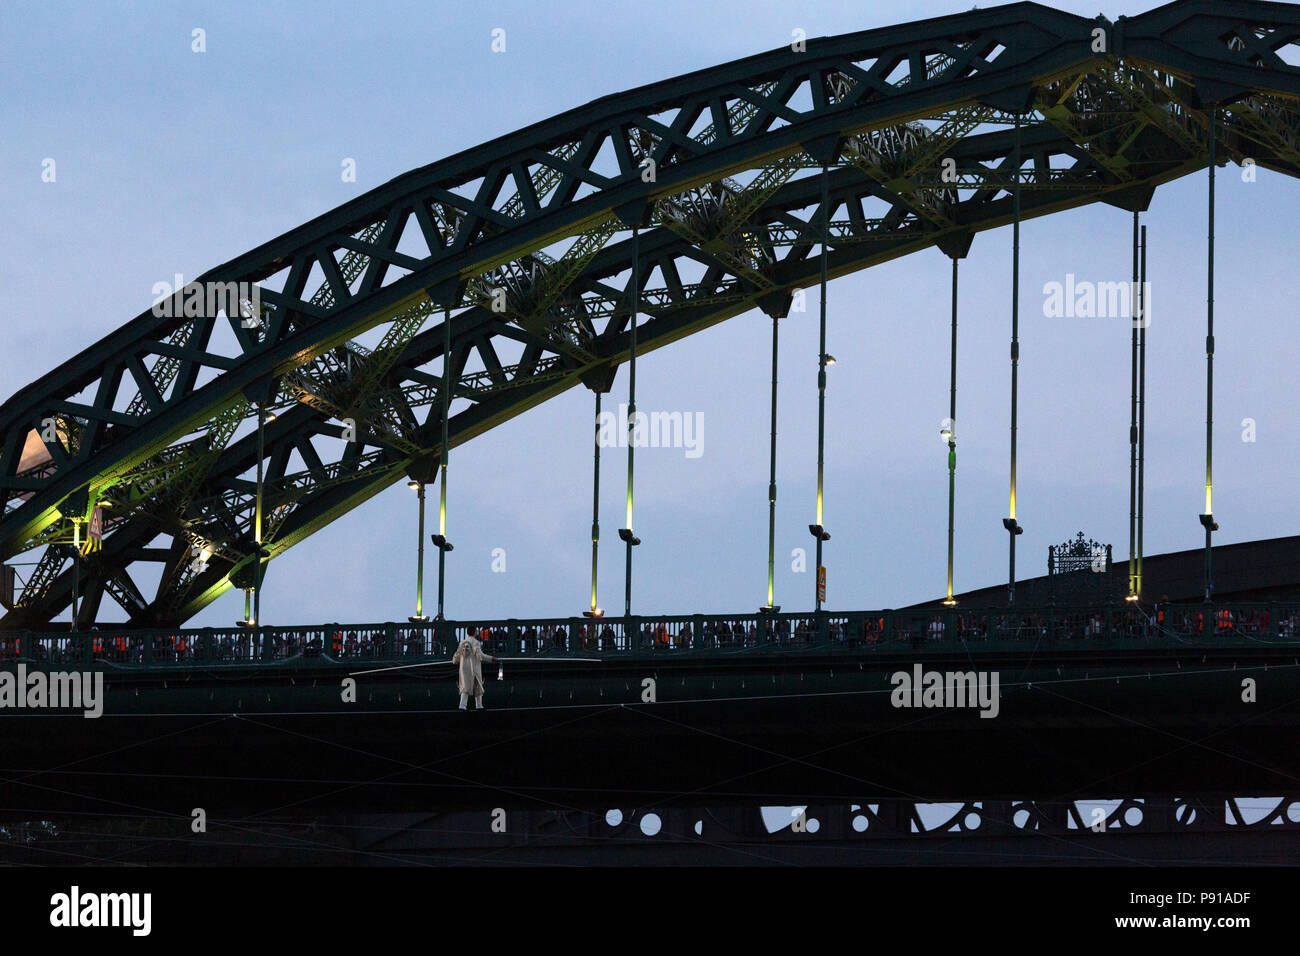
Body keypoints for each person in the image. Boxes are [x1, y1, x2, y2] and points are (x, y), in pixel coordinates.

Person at [452, 632, 495, 711]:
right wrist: (491, 658)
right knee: (478, 687)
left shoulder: (462, 643)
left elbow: (456, 657)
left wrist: (454, 661)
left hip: (464, 669)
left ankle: (462, 705)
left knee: (465, 687)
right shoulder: (476, 642)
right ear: (474, 632)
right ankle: (479, 705)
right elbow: (480, 656)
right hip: (474, 668)